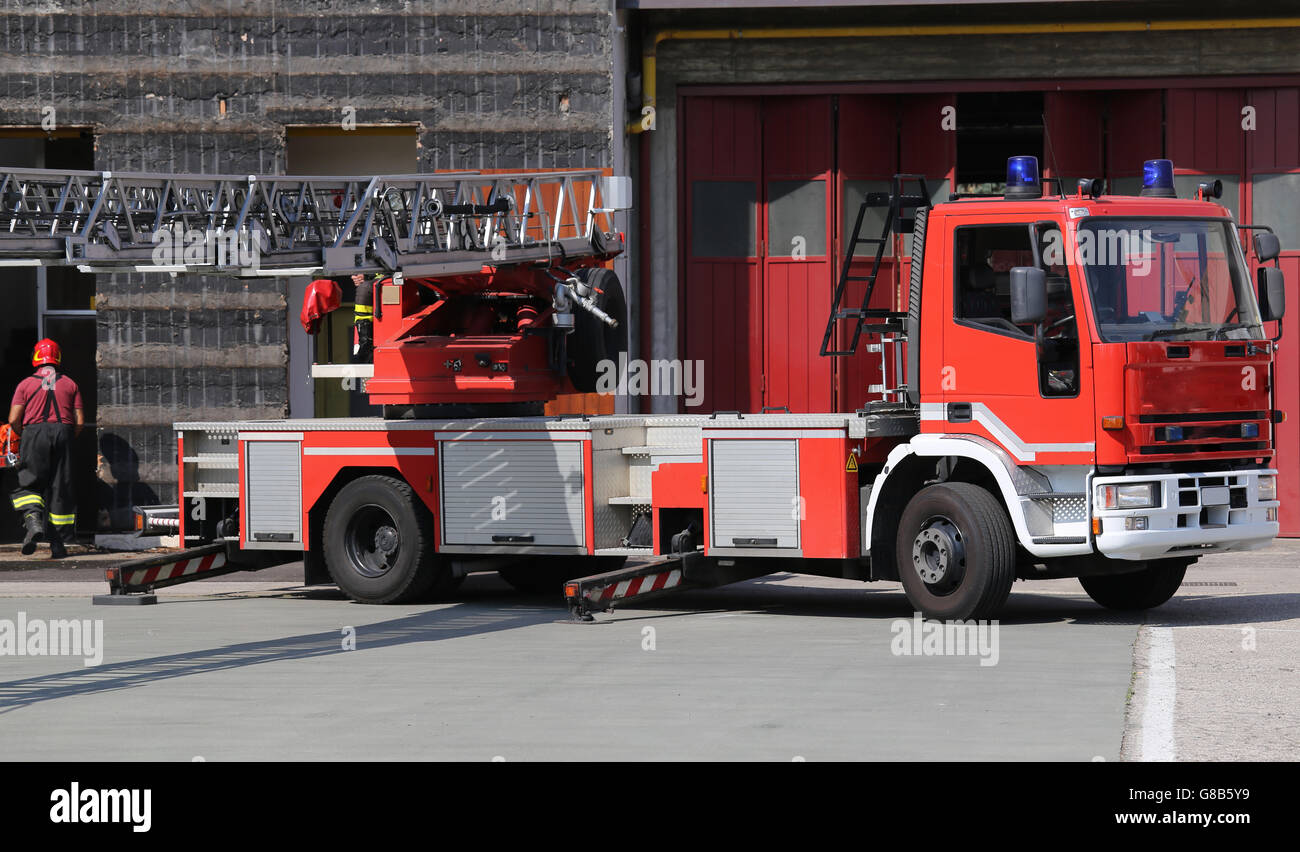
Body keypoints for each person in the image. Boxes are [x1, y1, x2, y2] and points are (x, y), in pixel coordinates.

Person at [8, 339, 83, 558]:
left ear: (36, 357)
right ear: (57, 357)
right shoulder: (71, 384)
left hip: (33, 433)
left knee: (29, 482)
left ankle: (33, 523)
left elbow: (14, 418)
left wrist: (26, 437)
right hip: (64, 433)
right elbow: (79, 422)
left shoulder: (25, 384)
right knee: (60, 488)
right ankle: (58, 545)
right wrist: (66, 438)